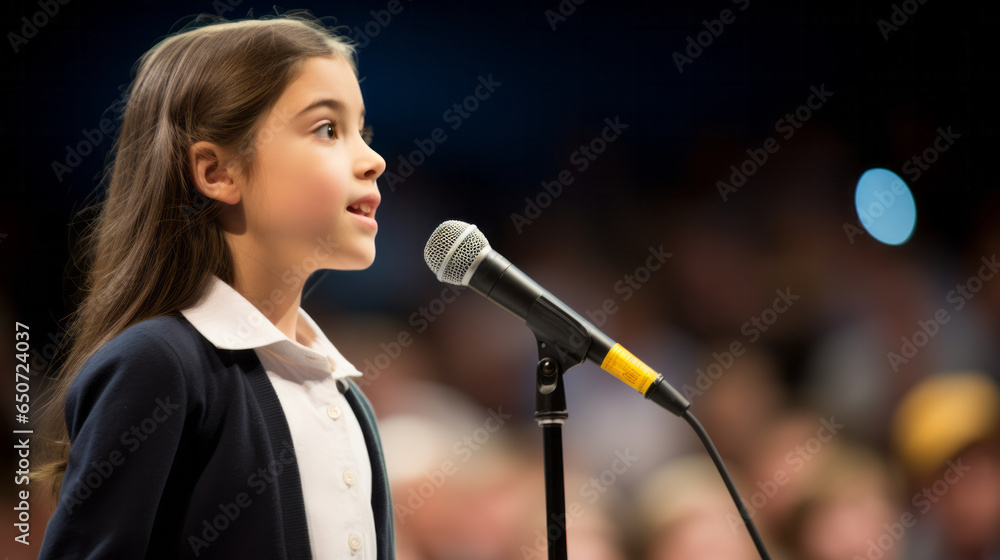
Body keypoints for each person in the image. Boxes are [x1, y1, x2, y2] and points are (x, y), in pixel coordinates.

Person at [33, 12, 393, 559]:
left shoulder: (343, 395)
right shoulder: (156, 364)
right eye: (327, 129)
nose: (374, 160)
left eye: (361, 132)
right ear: (217, 172)